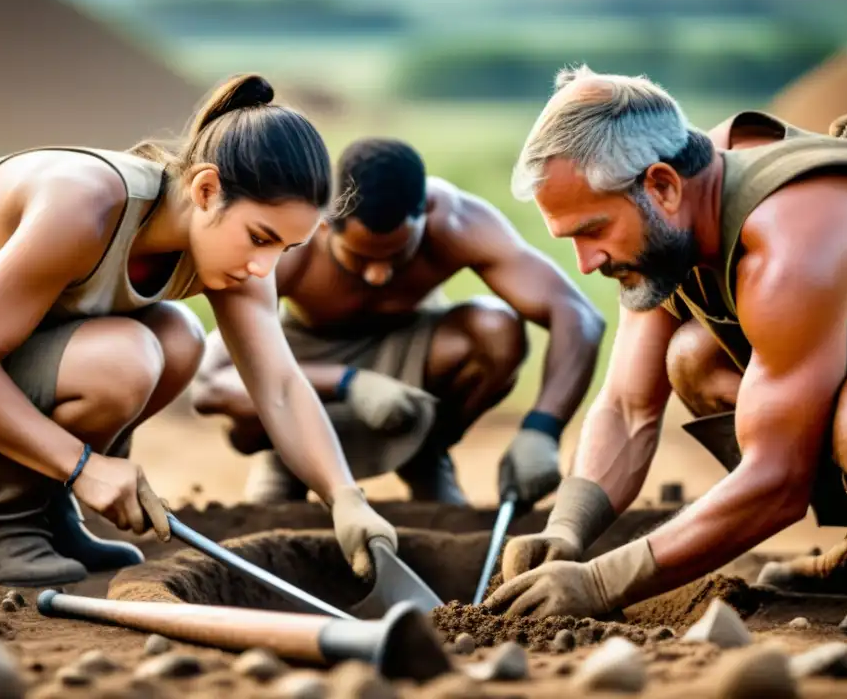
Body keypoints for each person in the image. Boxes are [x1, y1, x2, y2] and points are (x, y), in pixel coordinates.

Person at [0, 73, 397, 587]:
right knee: (124, 358)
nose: (265, 268)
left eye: (283, 249)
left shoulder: (227, 249)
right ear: (206, 189)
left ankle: (42, 505)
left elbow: (280, 385)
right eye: (259, 237)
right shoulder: (84, 205)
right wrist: (85, 468)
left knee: (178, 338)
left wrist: (345, 498)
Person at [481, 65, 847, 644]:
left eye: (594, 230)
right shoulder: (682, 201)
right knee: (694, 355)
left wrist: (602, 582)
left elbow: (777, 481)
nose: (585, 262)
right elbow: (629, 407)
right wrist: (567, 530)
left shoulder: (787, 240)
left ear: (660, 186)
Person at [191, 137, 605, 507]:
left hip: (413, 356)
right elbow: (209, 383)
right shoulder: (293, 246)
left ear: (424, 211)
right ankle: (286, 458)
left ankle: (425, 453)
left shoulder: (457, 223)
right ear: (324, 222)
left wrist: (543, 429)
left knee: (496, 329)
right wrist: (347, 381)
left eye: (396, 255)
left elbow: (578, 315)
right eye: (359, 258)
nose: (378, 275)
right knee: (247, 387)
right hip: (302, 363)